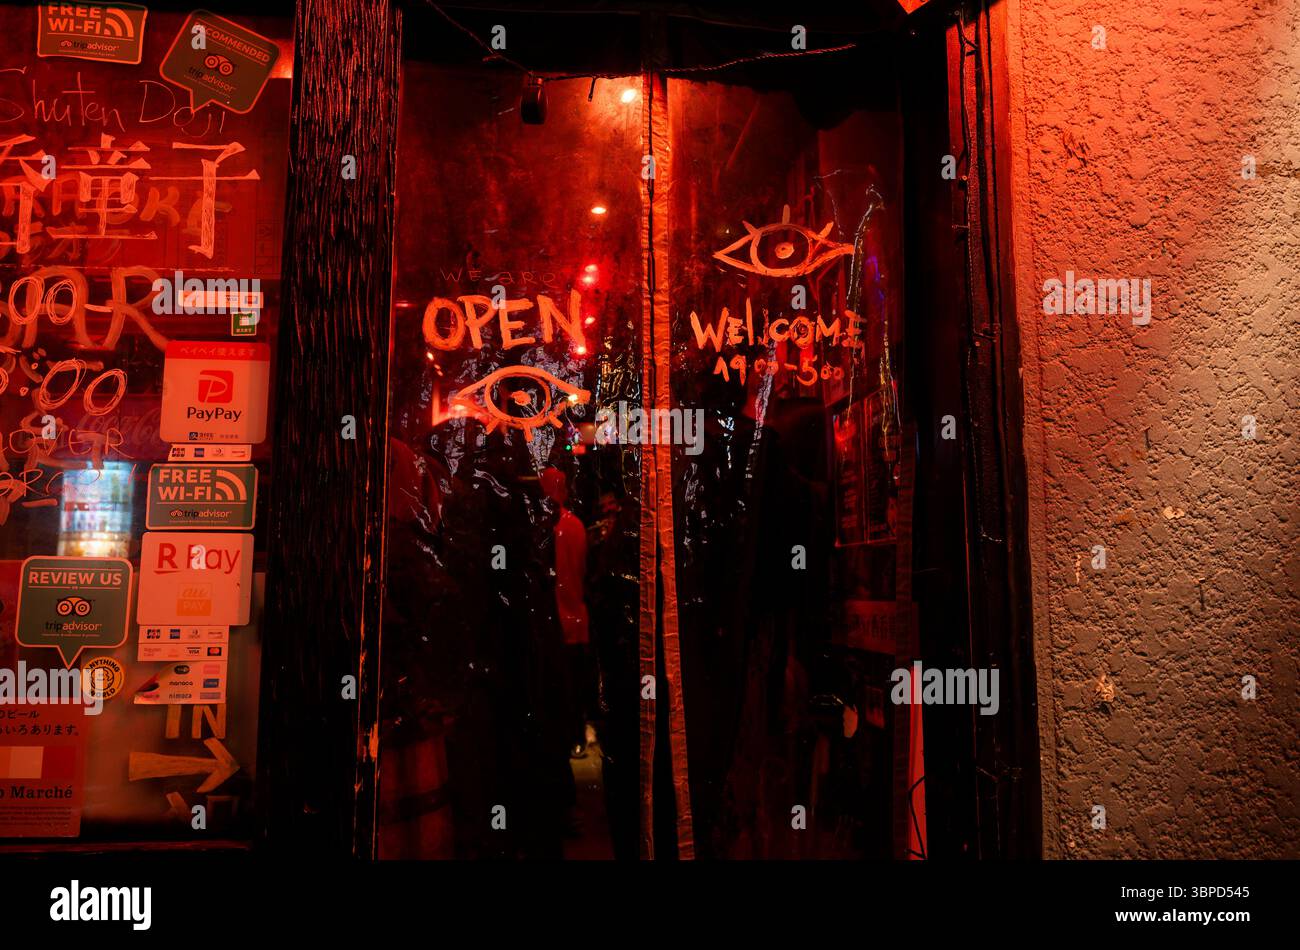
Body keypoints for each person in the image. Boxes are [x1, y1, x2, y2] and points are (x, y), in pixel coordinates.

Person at [540, 467, 592, 759]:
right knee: (576, 686)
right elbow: (583, 571)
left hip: (556, 620)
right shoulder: (577, 526)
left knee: (560, 688)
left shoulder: (546, 529)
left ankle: (562, 738)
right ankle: (577, 737)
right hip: (577, 617)